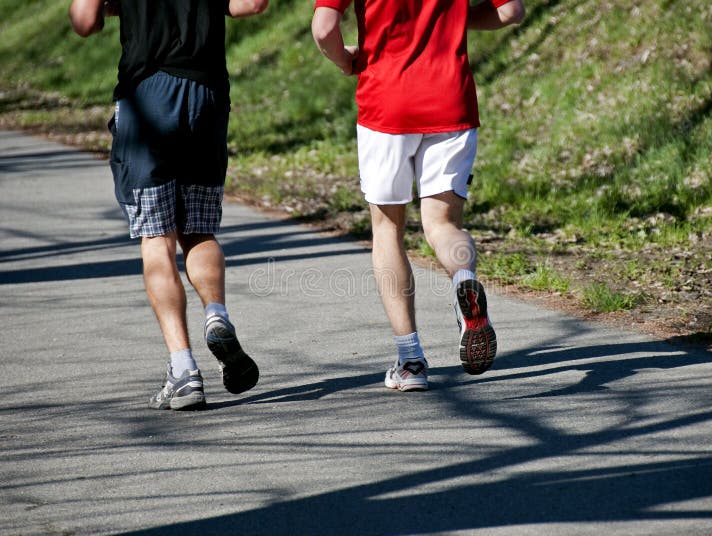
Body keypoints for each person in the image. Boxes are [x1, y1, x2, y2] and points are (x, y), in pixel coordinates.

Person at [311, 0, 525, 391]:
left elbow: (325, 28)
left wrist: (346, 61)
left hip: (386, 103)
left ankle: (411, 361)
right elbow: (511, 11)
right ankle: (464, 279)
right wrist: (455, 21)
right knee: (442, 224)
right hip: (450, 98)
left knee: (388, 229)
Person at [69, 0, 269, 410]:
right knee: (198, 229)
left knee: (157, 237)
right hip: (206, 94)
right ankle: (217, 315)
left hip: (148, 98)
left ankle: (184, 371)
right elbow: (252, 4)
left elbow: (84, 22)